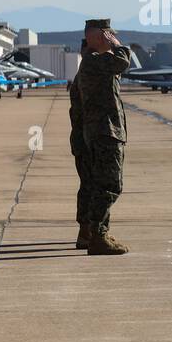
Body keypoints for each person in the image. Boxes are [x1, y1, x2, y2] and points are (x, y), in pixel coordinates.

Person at [77, 18, 132, 255]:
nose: (111, 39)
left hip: (102, 131)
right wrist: (118, 44)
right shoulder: (95, 61)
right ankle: (98, 236)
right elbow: (122, 62)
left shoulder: (93, 62)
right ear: (98, 36)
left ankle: (94, 233)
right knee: (109, 185)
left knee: (100, 184)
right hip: (105, 132)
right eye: (108, 35)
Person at [69, 38, 93, 249]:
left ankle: (87, 231)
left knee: (90, 186)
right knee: (90, 186)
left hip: (86, 139)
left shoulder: (85, 74)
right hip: (86, 140)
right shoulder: (86, 75)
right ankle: (86, 231)